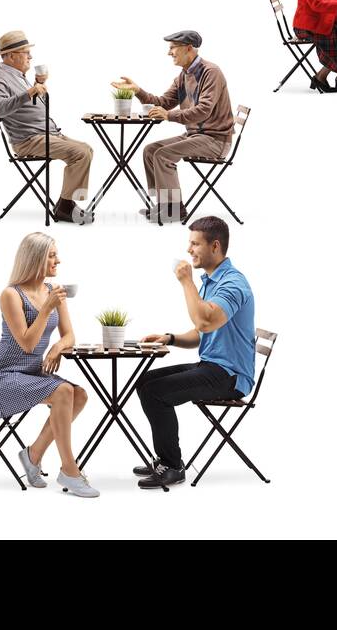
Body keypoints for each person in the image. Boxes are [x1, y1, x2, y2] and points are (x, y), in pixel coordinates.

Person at [0, 233, 97, 497]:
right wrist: (46, 309)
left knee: (80, 395)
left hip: (30, 372)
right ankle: (69, 471)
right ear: (36, 259)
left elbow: (69, 335)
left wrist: (57, 347)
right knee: (64, 392)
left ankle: (33, 455)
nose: (58, 261)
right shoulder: (10, 295)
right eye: (52, 255)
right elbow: (27, 344)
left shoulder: (53, 291)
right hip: (1, 377)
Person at [134, 216, 254, 490]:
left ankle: (173, 467)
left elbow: (205, 321)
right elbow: (201, 333)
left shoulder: (233, 284)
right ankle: (165, 459)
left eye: (194, 244)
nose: (189, 250)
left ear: (215, 246)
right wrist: (171, 338)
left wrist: (186, 282)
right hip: (212, 366)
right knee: (144, 382)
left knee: (156, 392)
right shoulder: (213, 281)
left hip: (231, 377)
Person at [111, 31, 235, 223]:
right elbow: (163, 102)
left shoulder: (211, 72)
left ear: (188, 48)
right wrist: (137, 91)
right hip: (196, 136)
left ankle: (175, 209)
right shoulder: (183, 75)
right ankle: (164, 205)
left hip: (215, 139)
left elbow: (203, 110)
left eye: (172, 48)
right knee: (150, 150)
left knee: (163, 155)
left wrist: (168, 116)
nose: (169, 53)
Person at [0, 31, 94, 223]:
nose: (30, 57)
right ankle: (65, 206)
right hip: (28, 141)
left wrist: (38, 84)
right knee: (81, 153)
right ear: (11, 56)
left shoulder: (19, 76)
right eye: (26, 53)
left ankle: (66, 203)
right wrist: (30, 92)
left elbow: (30, 105)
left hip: (47, 134)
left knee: (86, 149)